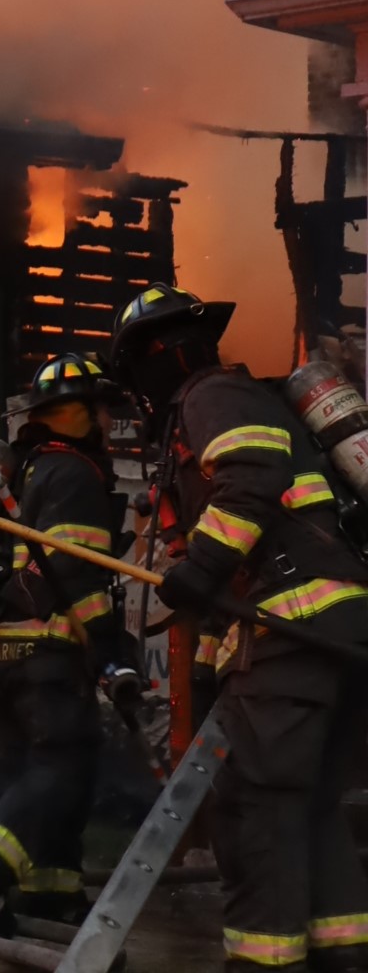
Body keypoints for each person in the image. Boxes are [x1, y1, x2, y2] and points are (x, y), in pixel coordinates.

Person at [113, 284, 368, 972]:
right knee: (309, 807)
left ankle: (263, 965)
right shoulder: (225, 400)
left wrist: (200, 567)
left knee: (258, 811)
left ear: (153, 357)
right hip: (331, 631)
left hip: (295, 625)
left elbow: (251, 478)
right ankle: (342, 957)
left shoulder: (210, 397)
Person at [0, 354, 138, 935]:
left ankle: (48, 891)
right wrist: (108, 648)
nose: (108, 423)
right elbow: (76, 571)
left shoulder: (27, 471)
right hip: (51, 653)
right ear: (76, 413)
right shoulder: (75, 475)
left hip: (5, 657)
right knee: (62, 765)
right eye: (101, 411)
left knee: (41, 773)